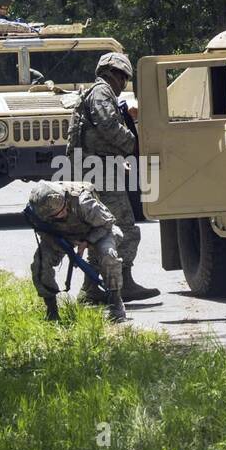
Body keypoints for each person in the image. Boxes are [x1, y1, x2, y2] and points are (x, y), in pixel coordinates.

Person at [68, 52, 159, 303]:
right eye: (124, 79)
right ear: (117, 75)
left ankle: (90, 289)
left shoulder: (97, 92)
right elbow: (108, 125)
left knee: (102, 229)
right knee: (125, 228)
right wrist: (135, 144)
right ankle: (123, 283)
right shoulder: (102, 92)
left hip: (97, 170)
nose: (123, 84)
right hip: (100, 173)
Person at [25, 180, 127, 323]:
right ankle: (51, 311)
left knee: (108, 256)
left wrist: (87, 241)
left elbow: (107, 223)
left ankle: (116, 303)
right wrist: (61, 242)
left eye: (61, 211)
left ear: (66, 202)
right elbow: (41, 230)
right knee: (40, 264)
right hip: (62, 235)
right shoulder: (37, 210)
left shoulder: (83, 202)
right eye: (55, 216)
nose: (61, 216)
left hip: (96, 230)